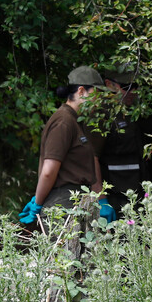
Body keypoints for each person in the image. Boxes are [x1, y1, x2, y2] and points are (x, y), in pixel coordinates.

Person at [19, 66, 110, 226]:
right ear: (81, 91)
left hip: (75, 204)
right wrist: (38, 203)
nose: (100, 100)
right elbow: (48, 171)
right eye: (97, 93)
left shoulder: (75, 120)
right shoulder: (63, 121)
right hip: (63, 206)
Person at [98, 68, 152, 211]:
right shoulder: (101, 117)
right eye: (127, 87)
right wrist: (101, 199)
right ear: (110, 84)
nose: (133, 92)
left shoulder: (141, 116)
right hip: (114, 198)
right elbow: (91, 159)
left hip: (140, 198)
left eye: (136, 87)